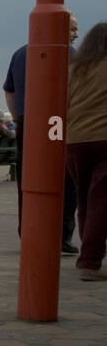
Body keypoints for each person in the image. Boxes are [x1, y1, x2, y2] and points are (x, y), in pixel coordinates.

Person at [4, 14, 79, 252]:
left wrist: (17, 117)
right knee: (66, 177)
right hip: (58, 120)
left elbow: (9, 89)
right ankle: (62, 235)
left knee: (28, 177)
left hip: (27, 121)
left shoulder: (19, 54)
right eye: (73, 29)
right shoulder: (71, 55)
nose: (76, 34)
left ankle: (28, 232)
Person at [66, 21, 107, 280]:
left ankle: (89, 257)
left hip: (75, 141)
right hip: (104, 139)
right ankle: (90, 262)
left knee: (85, 199)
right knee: (101, 201)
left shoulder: (73, 69)